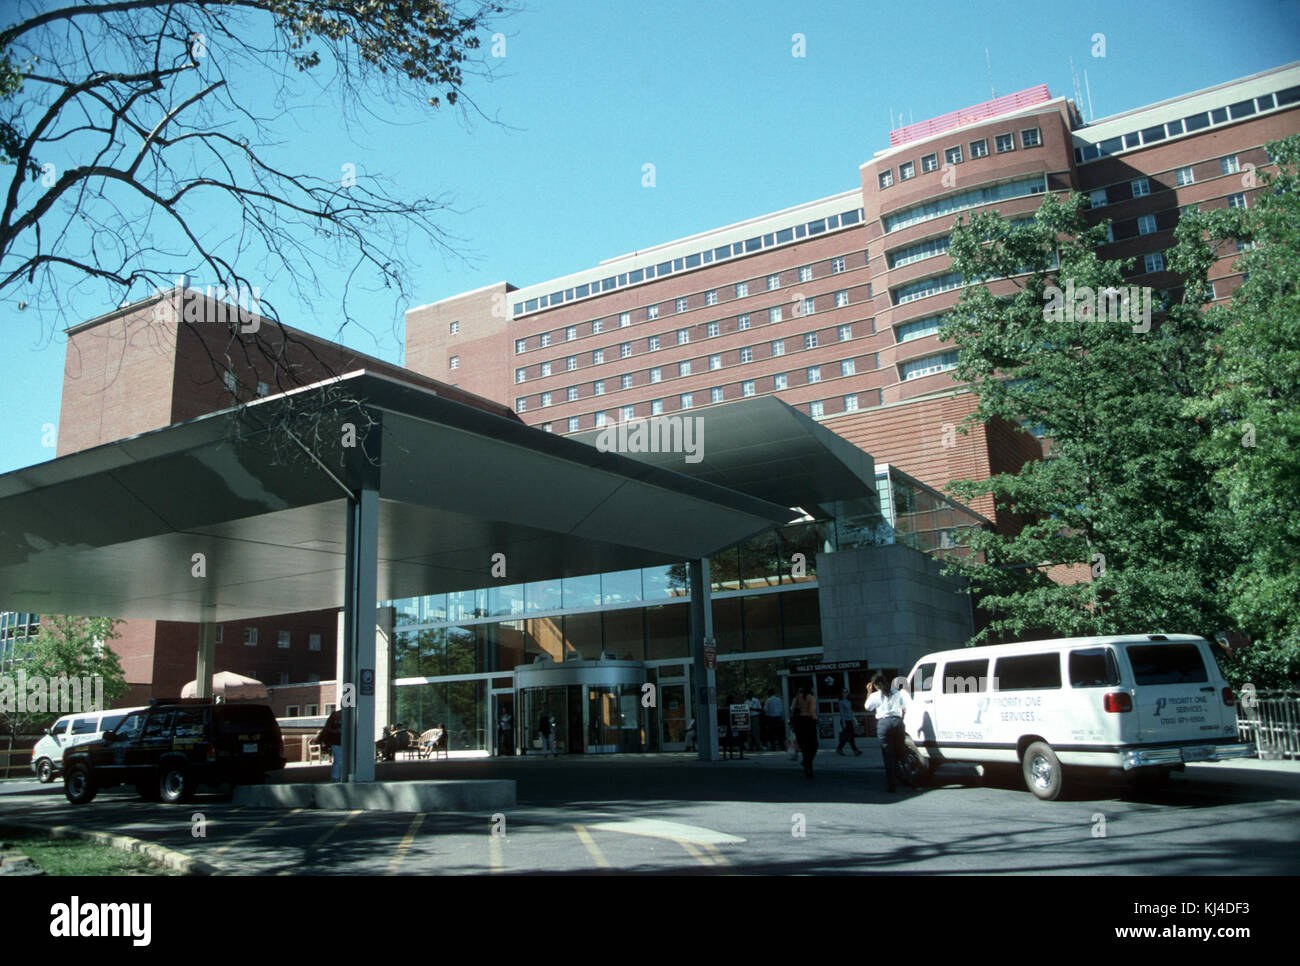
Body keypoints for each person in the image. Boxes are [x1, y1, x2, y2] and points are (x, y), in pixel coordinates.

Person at [865, 673, 913, 792]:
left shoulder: (875, 695)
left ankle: (892, 785)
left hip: (884, 724)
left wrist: (869, 692)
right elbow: (905, 706)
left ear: (875, 685)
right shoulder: (897, 693)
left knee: (888, 756)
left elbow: (867, 707)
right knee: (901, 754)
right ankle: (909, 779)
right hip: (897, 723)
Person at [790, 686, 819, 778]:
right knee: (814, 746)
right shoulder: (811, 697)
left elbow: (792, 712)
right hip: (809, 723)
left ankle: (807, 767)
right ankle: (807, 764)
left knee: (804, 747)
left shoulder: (796, 699)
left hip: (799, 724)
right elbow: (812, 711)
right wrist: (816, 720)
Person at [316, 709, 343, 781]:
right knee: (338, 760)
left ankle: (336, 777)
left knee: (338, 760)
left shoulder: (335, 716)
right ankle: (336, 777)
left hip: (337, 741)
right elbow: (328, 728)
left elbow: (327, 728)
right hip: (337, 741)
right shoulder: (335, 716)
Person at [836, 688, 862, 756]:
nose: (845, 693)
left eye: (846, 692)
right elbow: (842, 713)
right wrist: (844, 723)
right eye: (843, 692)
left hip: (850, 720)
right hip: (845, 720)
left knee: (849, 736)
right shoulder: (841, 702)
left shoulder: (849, 701)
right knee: (848, 736)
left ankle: (840, 748)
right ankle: (855, 750)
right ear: (841, 693)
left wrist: (854, 720)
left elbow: (851, 712)